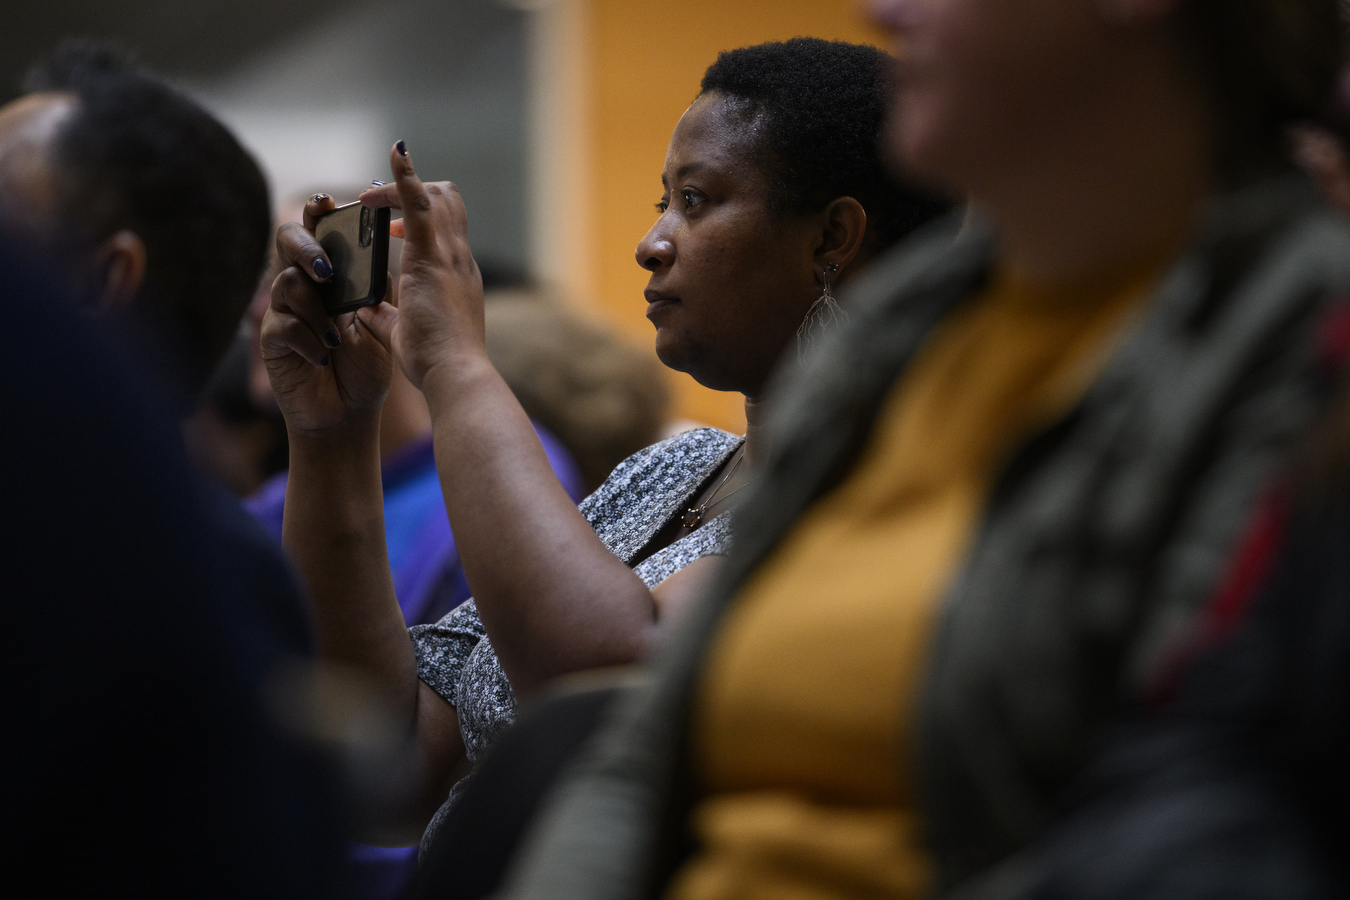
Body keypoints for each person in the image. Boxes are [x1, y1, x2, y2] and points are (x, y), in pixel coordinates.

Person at [476, 1, 1350, 899]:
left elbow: (1178, 816)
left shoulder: (1292, 347)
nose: (884, 12)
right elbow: (643, 758)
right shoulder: (903, 328)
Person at [259, 36, 950, 850]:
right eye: (661, 203)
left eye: (694, 202)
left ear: (833, 236)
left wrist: (454, 365)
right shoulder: (671, 470)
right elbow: (392, 756)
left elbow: (605, 696)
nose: (652, 242)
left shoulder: (883, 481)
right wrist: (334, 431)